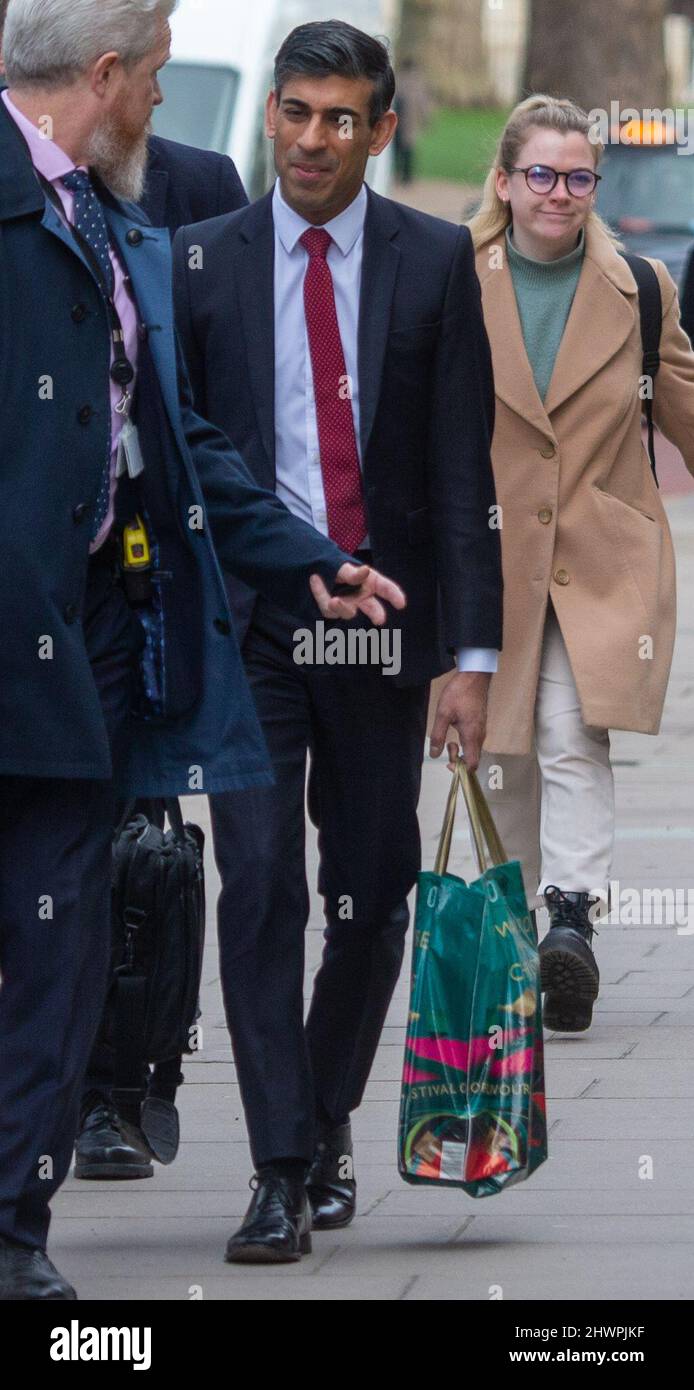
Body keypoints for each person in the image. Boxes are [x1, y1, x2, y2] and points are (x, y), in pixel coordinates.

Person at [0, 0, 403, 1301]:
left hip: (98, 654)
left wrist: (309, 556)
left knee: (60, 948)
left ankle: (16, 1224)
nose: (165, 108)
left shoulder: (111, 224)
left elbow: (175, 441)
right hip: (24, 644)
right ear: (105, 74)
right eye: (158, 78)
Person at [173, 18, 502, 1264]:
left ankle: (324, 1117)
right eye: (295, 112)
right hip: (253, 628)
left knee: (371, 894)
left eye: (339, 117)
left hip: (383, 629)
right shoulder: (199, 262)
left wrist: (470, 663)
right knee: (257, 887)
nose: (313, 138)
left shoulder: (430, 264)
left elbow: (463, 469)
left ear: (381, 127)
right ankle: (276, 1167)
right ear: (269, 115)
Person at [432, 94, 694, 1034]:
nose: (560, 193)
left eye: (579, 177)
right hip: (486, 552)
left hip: (595, 554)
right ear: (504, 180)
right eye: (540, 174)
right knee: (502, 749)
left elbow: (685, 408)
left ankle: (571, 921)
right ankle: (512, 923)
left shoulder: (642, 287)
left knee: (571, 728)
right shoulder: (449, 276)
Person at [75, 99, 252, 1190]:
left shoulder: (194, 184)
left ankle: (125, 1081)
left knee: (140, 846)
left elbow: (222, 398)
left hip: (141, 587)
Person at [393, 56, 430, 184]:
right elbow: (423, 103)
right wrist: (426, 119)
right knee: (408, 149)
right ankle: (406, 176)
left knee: (398, 149)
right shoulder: (416, 82)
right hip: (408, 121)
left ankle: (398, 174)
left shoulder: (397, 79)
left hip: (397, 121)